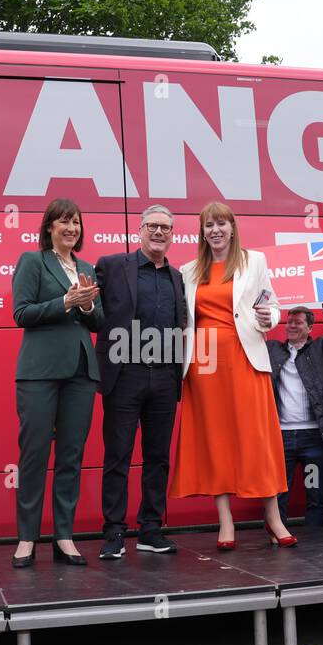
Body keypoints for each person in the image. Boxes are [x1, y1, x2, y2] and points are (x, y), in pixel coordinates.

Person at [171, 202, 292, 549]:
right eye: (209, 225)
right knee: (216, 440)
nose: (216, 230)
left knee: (256, 438)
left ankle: (273, 517)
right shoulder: (188, 270)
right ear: (202, 231)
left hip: (245, 356)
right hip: (204, 362)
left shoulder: (255, 261)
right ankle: (226, 522)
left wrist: (269, 318)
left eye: (221, 223)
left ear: (232, 227)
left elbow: (273, 305)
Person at [11, 198, 103, 567]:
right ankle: (26, 538)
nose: (71, 228)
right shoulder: (32, 262)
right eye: (64, 222)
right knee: (34, 454)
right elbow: (21, 313)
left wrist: (85, 307)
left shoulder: (87, 269)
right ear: (49, 227)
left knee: (71, 455)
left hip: (81, 371)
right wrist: (65, 301)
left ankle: (63, 536)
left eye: (76, 222)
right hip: (39, 371)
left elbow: (98, 321)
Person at [94, 205, 186, 560]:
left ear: (172, 235)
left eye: (166, 227)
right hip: (125, 374)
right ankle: (114, 532)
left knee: (158, 458)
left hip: (164, 377)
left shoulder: (178, 277)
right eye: (153, 226)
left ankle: (150, 529)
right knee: (118, 456)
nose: (159, 232)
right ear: (140, 230)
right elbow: (92, 310)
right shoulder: (113, 265)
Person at [268, 291, 323, 529]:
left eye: (298, 322)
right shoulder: (273, 349)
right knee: (280, 492)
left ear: (311, 327)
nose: (291, 326)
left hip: (314, 438)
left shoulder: (321, 349)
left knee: (315, 491)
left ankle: (316, 538)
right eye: (288, 321)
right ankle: (278, 534)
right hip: (282, 437)